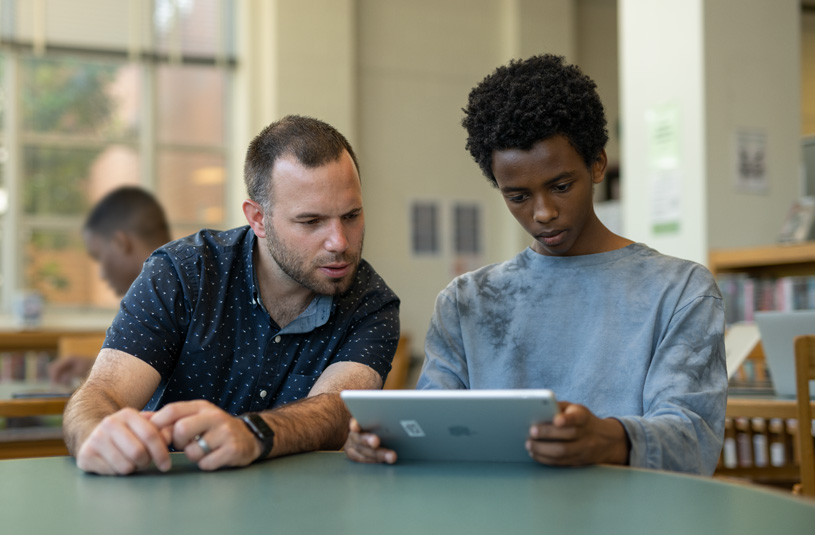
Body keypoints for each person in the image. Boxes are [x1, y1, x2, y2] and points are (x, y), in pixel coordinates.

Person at [344, 54, 727, 475]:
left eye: (561, 186)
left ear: (597, 163)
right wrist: (386, 439)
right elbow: (433, 428)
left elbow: (694, 440)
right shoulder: (465, 301)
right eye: (518, 196)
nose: (542, 212)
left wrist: (609, 439)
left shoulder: (680, 290)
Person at [64, 115, 400, 475]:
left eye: (351, 215)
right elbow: (102, 394)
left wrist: (251, 433)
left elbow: (337, 410)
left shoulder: (371, 303)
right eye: (311, 222)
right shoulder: (181, 273)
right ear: (258, 219)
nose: (340, 242)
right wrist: (95, 433)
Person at [49, 187, 172, 386]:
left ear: (120, 243)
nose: (101, 274)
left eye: (99, 257)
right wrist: (94, 367)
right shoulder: (180, 289)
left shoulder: (163, 297)